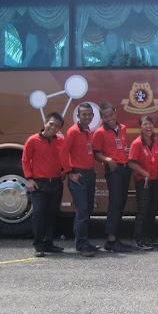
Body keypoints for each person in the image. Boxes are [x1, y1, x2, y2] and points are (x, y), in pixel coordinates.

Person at [22, 112, 65, 257]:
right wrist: (29, 179)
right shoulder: (32, 140)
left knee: (52, 214)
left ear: (60, 129)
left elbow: (65, 158)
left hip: (56, 183)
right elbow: (25, 160)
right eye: (51, 124)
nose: (53, 127)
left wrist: (65, 170)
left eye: (57, 126)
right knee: (39, 213)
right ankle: (39, 245)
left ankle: (49, 243)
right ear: (45, 123)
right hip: (39, 184)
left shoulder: (60, 141)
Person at [92, 102, 132, 252]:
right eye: (105, 116)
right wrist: (108, 160)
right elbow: (96, 153)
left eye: (111, 114)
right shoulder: (100, 132)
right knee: (115, 203)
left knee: (121, 202)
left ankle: (116, 238)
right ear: (102, 117)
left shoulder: (122, 128)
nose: (109, 118)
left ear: (115, 112)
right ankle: (111, 240)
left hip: (124, 168)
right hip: (113, 170)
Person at [59, 103, 98, 257]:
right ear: (78, 116)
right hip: (78, 175)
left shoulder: (88, 131)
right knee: (81, 211)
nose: (87, 117)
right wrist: (70, 172)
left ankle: (83, 240)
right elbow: (63, 153)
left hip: (89, 174)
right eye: (84, 114)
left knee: (88, 209)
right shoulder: (73, 131)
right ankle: (81, 244)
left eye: (90, 114)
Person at [128, 115, 158, 251]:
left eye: (150, 124)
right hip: (143, 182)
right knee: (143, 210)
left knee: (153, 210)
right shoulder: (137, 143)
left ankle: (148, 237)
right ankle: (139, 240)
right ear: (140, 127)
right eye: (145, 124)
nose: (148, 127)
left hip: (155, 180)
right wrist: (145, 173)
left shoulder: (156, 140)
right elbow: (131, 163)